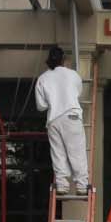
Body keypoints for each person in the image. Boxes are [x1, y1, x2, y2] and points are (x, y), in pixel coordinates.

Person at [35, 45, 88, 198]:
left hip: (53, 119)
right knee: (77, 152)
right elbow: (78, 93)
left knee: (58, 154)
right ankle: (82, 185)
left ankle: (62, 184)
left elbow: (41, 106)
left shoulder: (42, 78)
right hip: (71, 116)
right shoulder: (73, 75)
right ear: (63, 60)